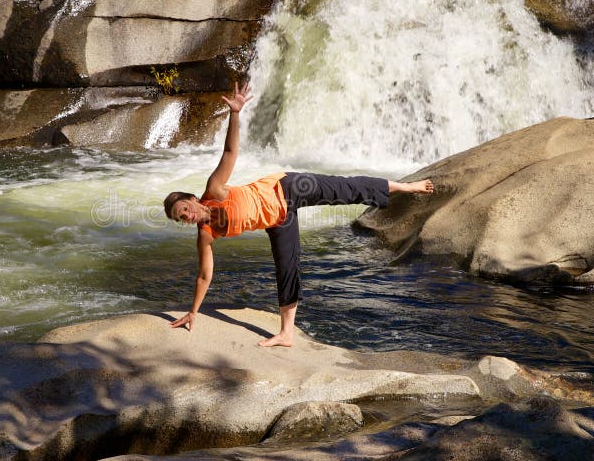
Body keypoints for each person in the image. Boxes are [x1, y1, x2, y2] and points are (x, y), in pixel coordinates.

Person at [164, 82, 434, 347]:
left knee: (344, 189)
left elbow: (230, 152)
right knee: (286, 268)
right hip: (279, 220)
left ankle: (407, 186)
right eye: (180, 218)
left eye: (184, 209)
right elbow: (204, 276)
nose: (186, 216)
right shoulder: (206, 235)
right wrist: (193, 312)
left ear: (192, 199)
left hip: (286, 187)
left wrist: (235, 113)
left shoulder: (214, 190)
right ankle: (287, 334)